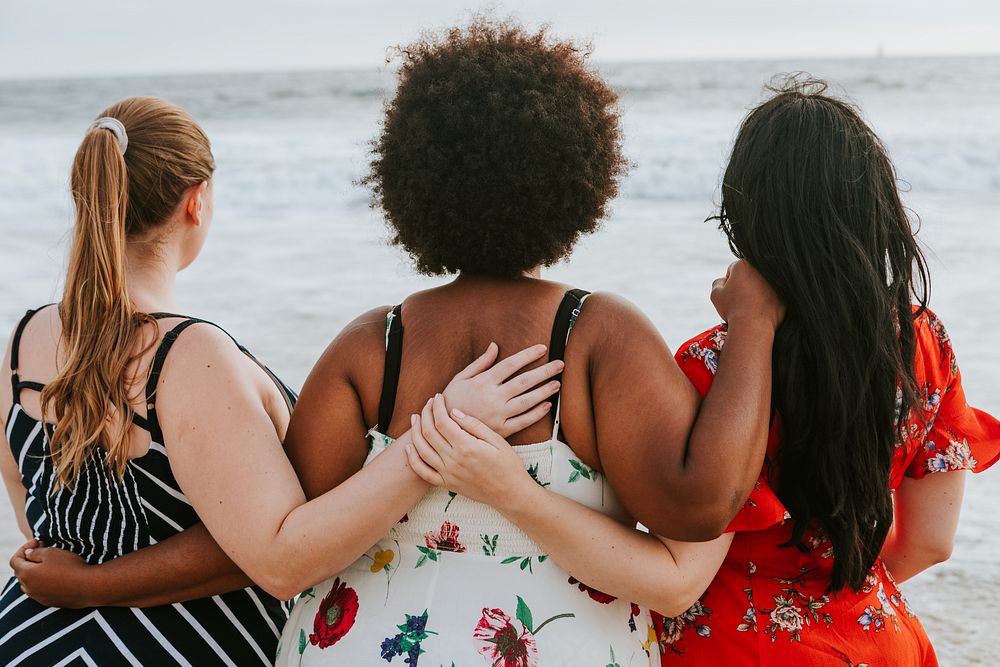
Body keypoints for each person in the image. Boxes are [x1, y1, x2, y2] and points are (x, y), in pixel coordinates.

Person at [272, 20, 783, 665]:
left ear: (410, 179)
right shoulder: (599, 336)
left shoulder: (370, 347)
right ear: (577, 177)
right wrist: (754, 328)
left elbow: (298, 533)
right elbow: (700, 506)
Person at [0, 97, 557, 666]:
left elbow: (40, 523)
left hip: (24, 636)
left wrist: (90, 581)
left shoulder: (21, 346)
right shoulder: (187, 356)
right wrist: (444, 429)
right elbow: (282, 562)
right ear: (197, 201)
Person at [651, 80, 999, 665]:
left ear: (746, 211)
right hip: (878, 640)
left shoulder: (711, 366)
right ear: (874, 206)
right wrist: (828, 595)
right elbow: (930, 544)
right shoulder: (924, 341)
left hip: (738, 647)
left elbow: (678, 566)